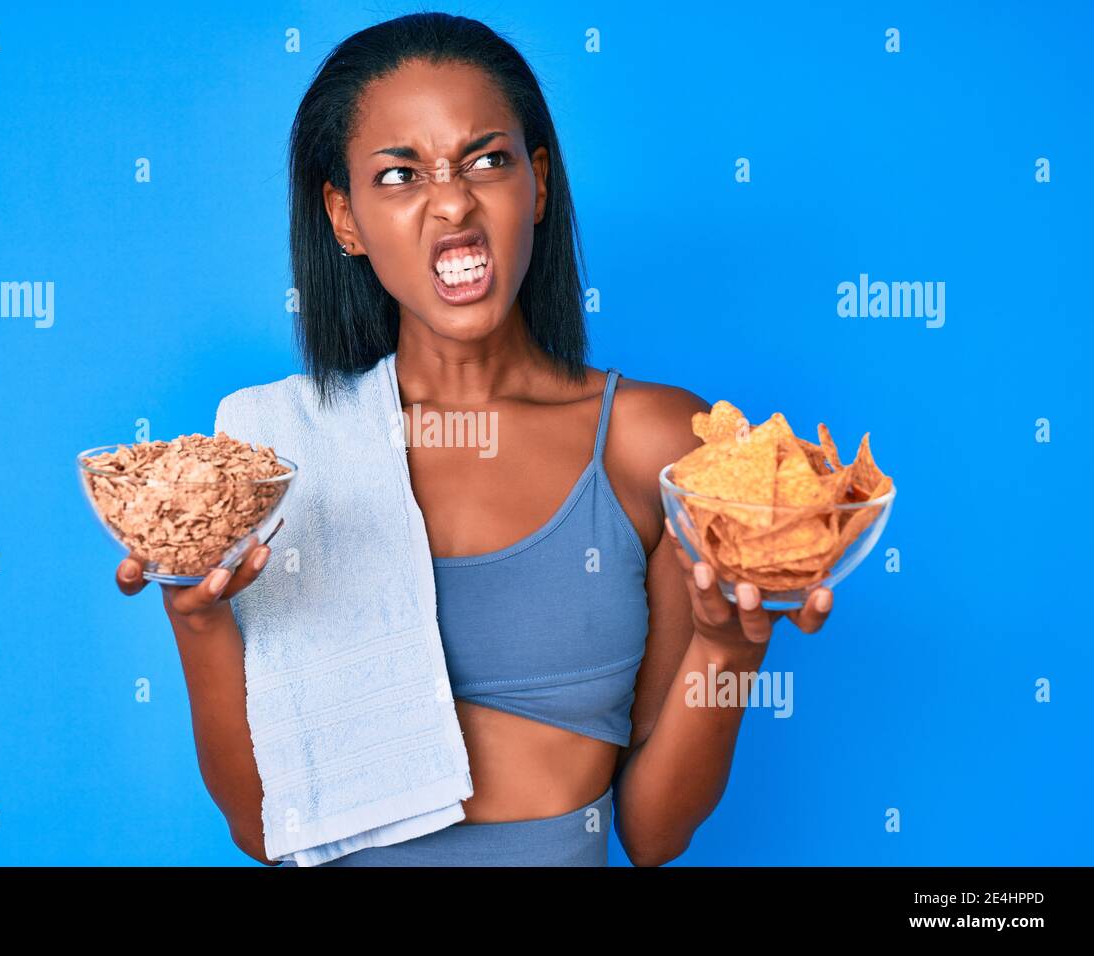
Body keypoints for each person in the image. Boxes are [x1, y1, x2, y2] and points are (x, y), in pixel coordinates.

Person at [113, 11, 834, 867]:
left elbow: (652, 833)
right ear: (344, 219)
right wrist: (195, 623)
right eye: (400, 174)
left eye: (487, 160)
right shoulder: (277, 463)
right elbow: (264, 831)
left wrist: (730, 647)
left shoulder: (653, 446)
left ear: (537, 182)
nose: (452, 201)